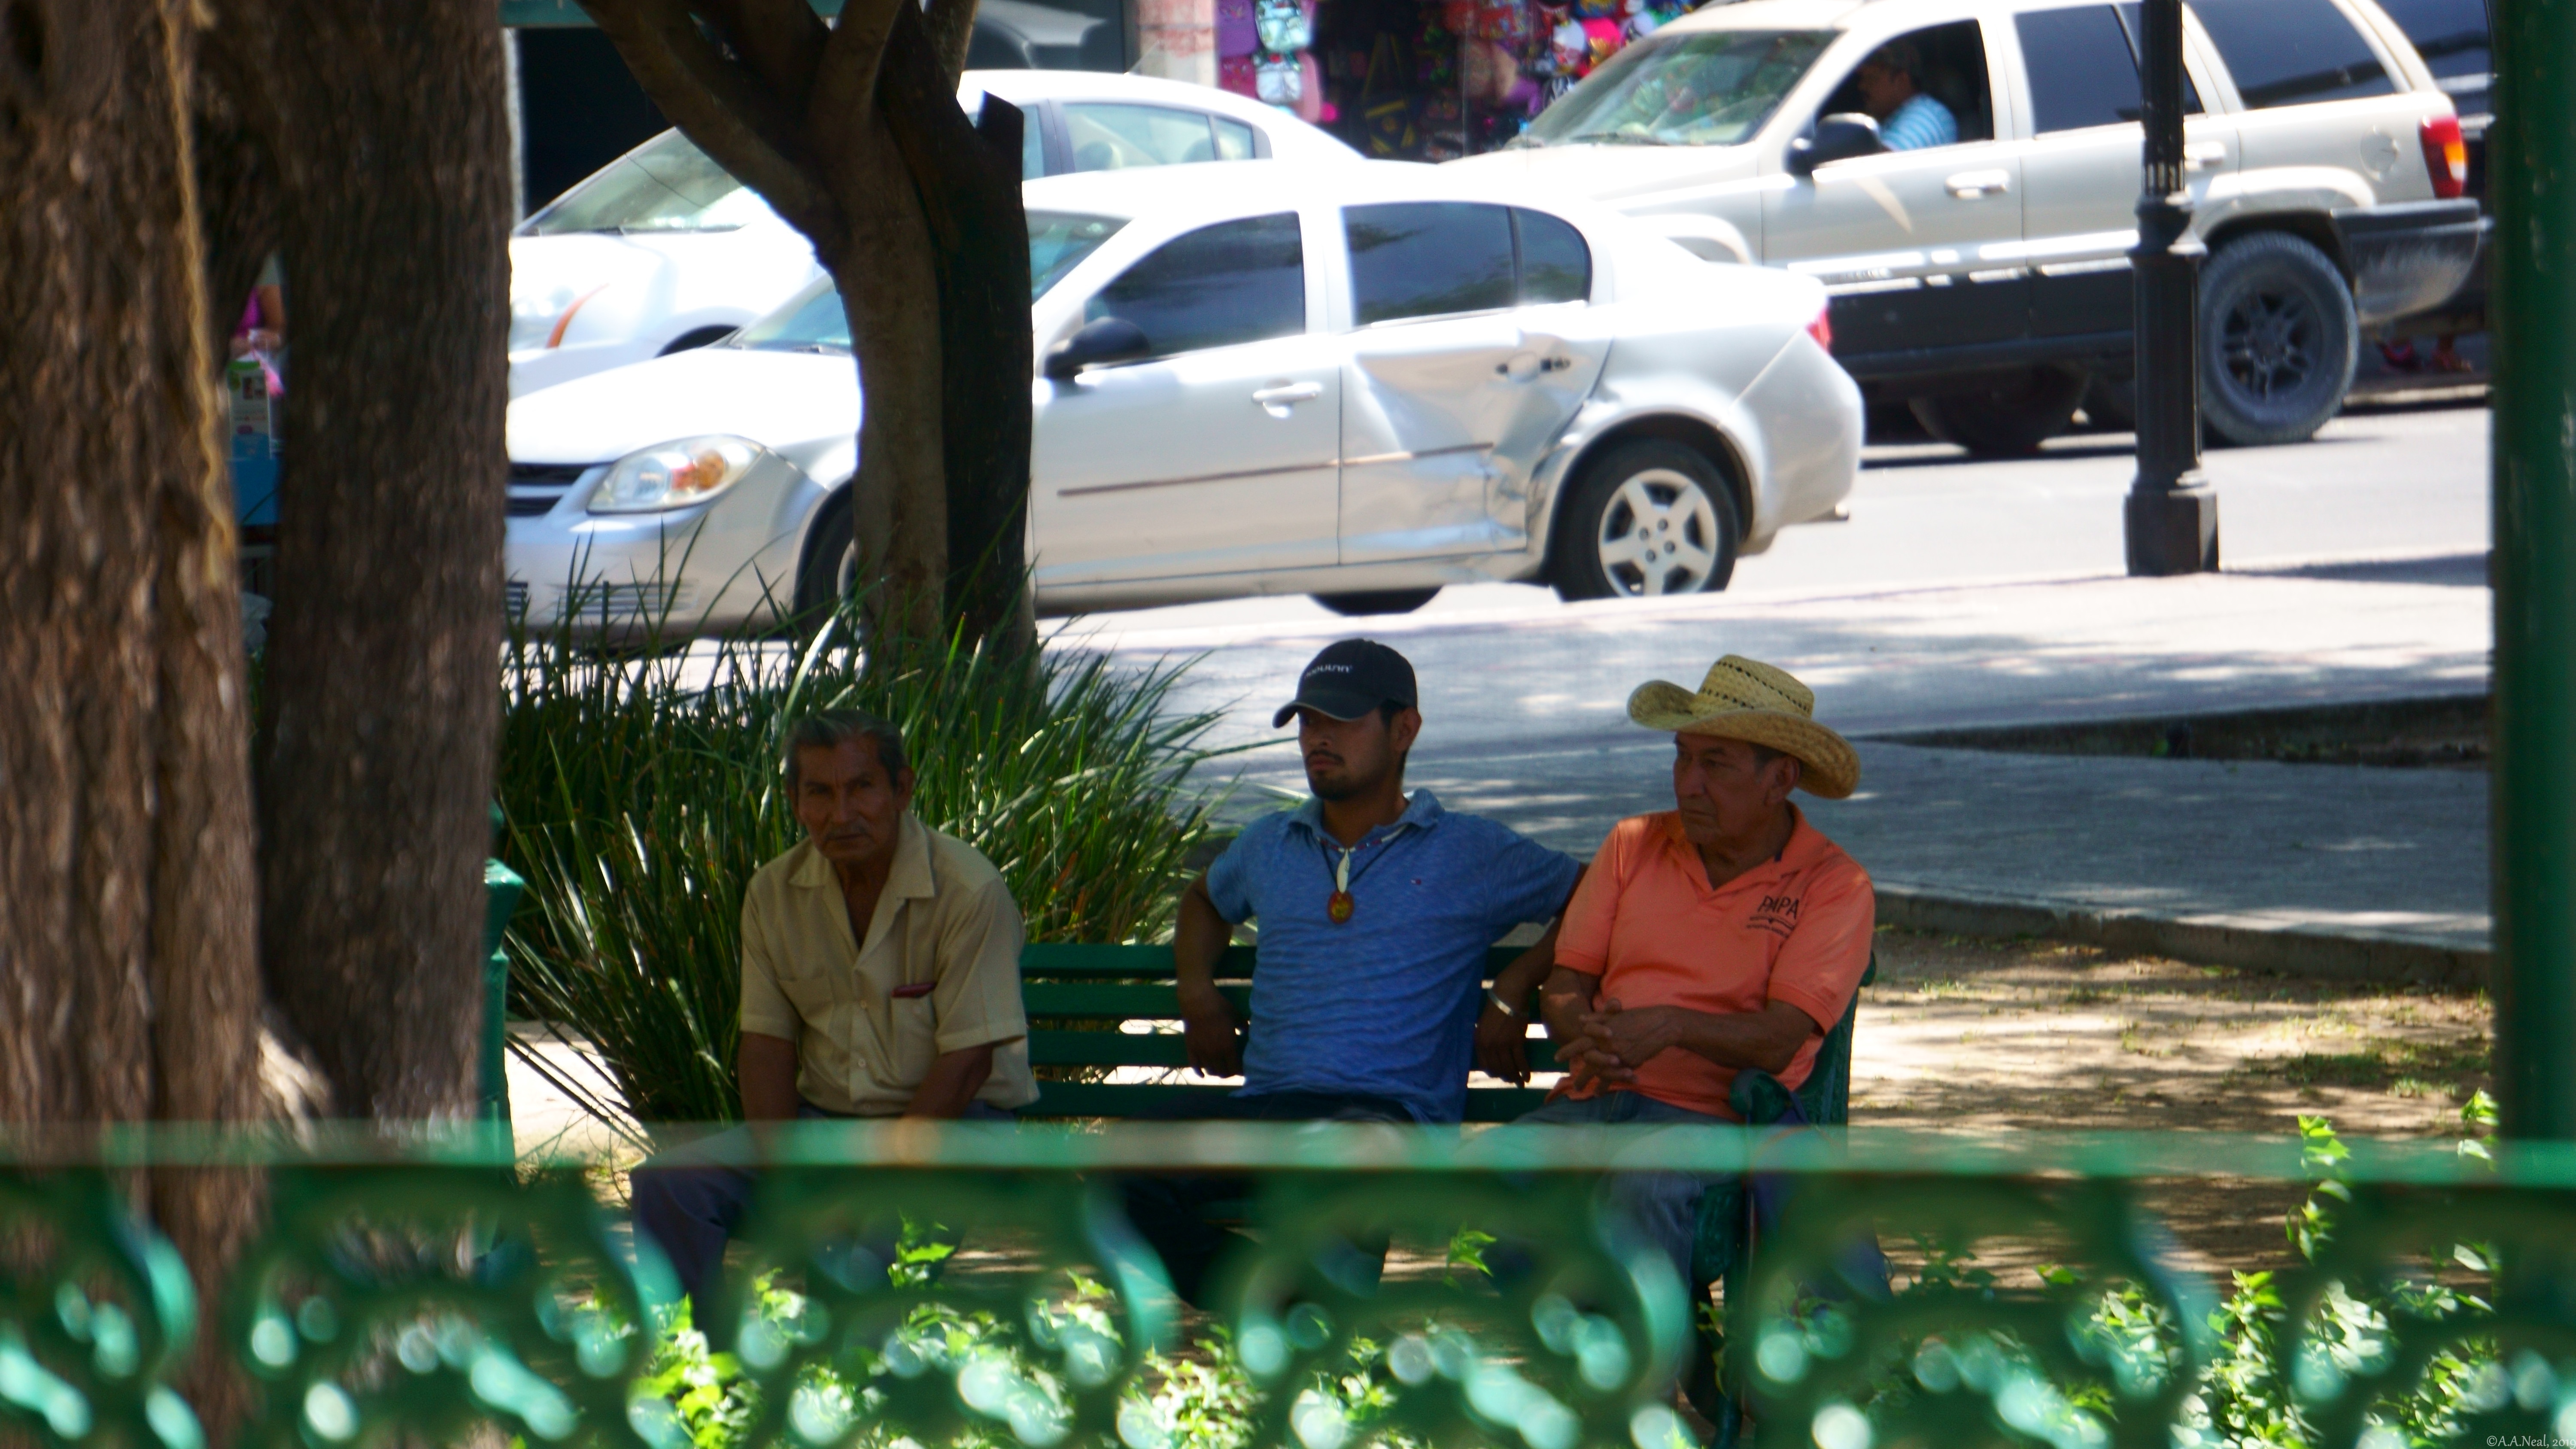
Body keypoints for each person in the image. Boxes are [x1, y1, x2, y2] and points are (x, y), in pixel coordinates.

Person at [1126, 638, 1585, 1303]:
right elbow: (1204, 898)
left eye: (1341, 720)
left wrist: (1515, 986)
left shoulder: (1467, 850)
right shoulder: (1270, 841)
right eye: (1309, 721)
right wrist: (1198, 994)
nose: (1319, 738)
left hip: (1384, 1121)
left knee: (1338, 1174)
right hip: (1267, 1108)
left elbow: (1597, 893)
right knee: (1113, 1170)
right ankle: (1285, 1310)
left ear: (1405, 729)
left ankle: (1299, 1321)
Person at [630, 709, 1035, 1305]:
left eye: (862, 787)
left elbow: (968, 1061)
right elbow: (765, 1046)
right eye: (819, 792)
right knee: (668, 1185)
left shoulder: (968, 888)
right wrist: (790, 1173)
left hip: (957, 1128)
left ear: (902, 788)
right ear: (794, 801)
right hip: (822, 1129)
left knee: (857, 1249)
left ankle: (851, 1385)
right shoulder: (773, 891)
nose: (840, 814)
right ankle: (703, 1372)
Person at [1512, 654, 1876, 1291]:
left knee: (1644, 1181)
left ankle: (1642, 1382)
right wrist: (1582, 1026)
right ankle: (1622, 1353)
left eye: (1716, 764)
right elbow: (1568, 979)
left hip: (1719, 1122)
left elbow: (1779, 1038)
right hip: (1594, 1102)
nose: (1687, 783)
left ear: (1780, 777)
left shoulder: (1833, 884)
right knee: (1477, 1177)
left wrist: (1672, 1026)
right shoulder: (1632, 842)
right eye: (1682, 757)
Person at [1853, 39, 1955, 152]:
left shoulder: (1925, 115)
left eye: (1872, 79)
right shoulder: (1897, 115)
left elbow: (1885, 164)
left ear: (1902, 81)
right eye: (1863, 78)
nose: (1862, 86)